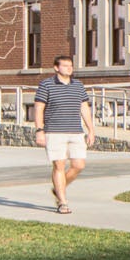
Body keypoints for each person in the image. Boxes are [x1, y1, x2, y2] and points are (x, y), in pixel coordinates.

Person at [33, 54, 94, 214]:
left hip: (75, 131)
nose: (69, 68)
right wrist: (40, 130)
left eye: (71, 65)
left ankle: (59, 187)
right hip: (54, 131)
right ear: (56, 67)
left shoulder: (78, 85)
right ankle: (62, 202)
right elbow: (39, 108)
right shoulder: (46, 84)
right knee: (59, 165)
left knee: (79, 165)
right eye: (65, 65)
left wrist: (91, 130)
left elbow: (84, 108)